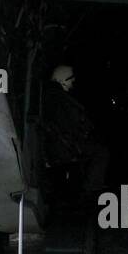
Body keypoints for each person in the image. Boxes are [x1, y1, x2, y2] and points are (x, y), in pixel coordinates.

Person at [41, 64, 108, 192]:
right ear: (63, 79)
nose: (73, 82)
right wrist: (84, 133)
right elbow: (71, 125)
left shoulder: (52, 95)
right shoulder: (59, 99)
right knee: (101, 152)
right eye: (70, 79)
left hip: (61, 142)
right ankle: (92, 188)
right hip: (64, 145)